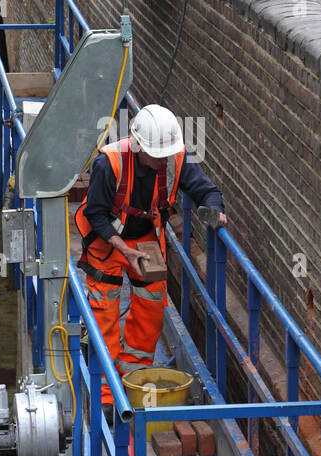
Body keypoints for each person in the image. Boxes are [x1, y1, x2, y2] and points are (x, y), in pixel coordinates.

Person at [75, 105, 226, 402]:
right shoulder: (111, 163)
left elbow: (208, 191)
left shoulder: (176, 158)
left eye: (164, 154)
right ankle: (105, 396)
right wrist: (124, 250)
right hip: (107, 242)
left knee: (151, 306)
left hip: (145, 239)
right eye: (154, 155)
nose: (160, 161)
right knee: (104, 314)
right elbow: (96, 214)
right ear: (137, 144)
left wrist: (215, 211)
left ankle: (134, 379)